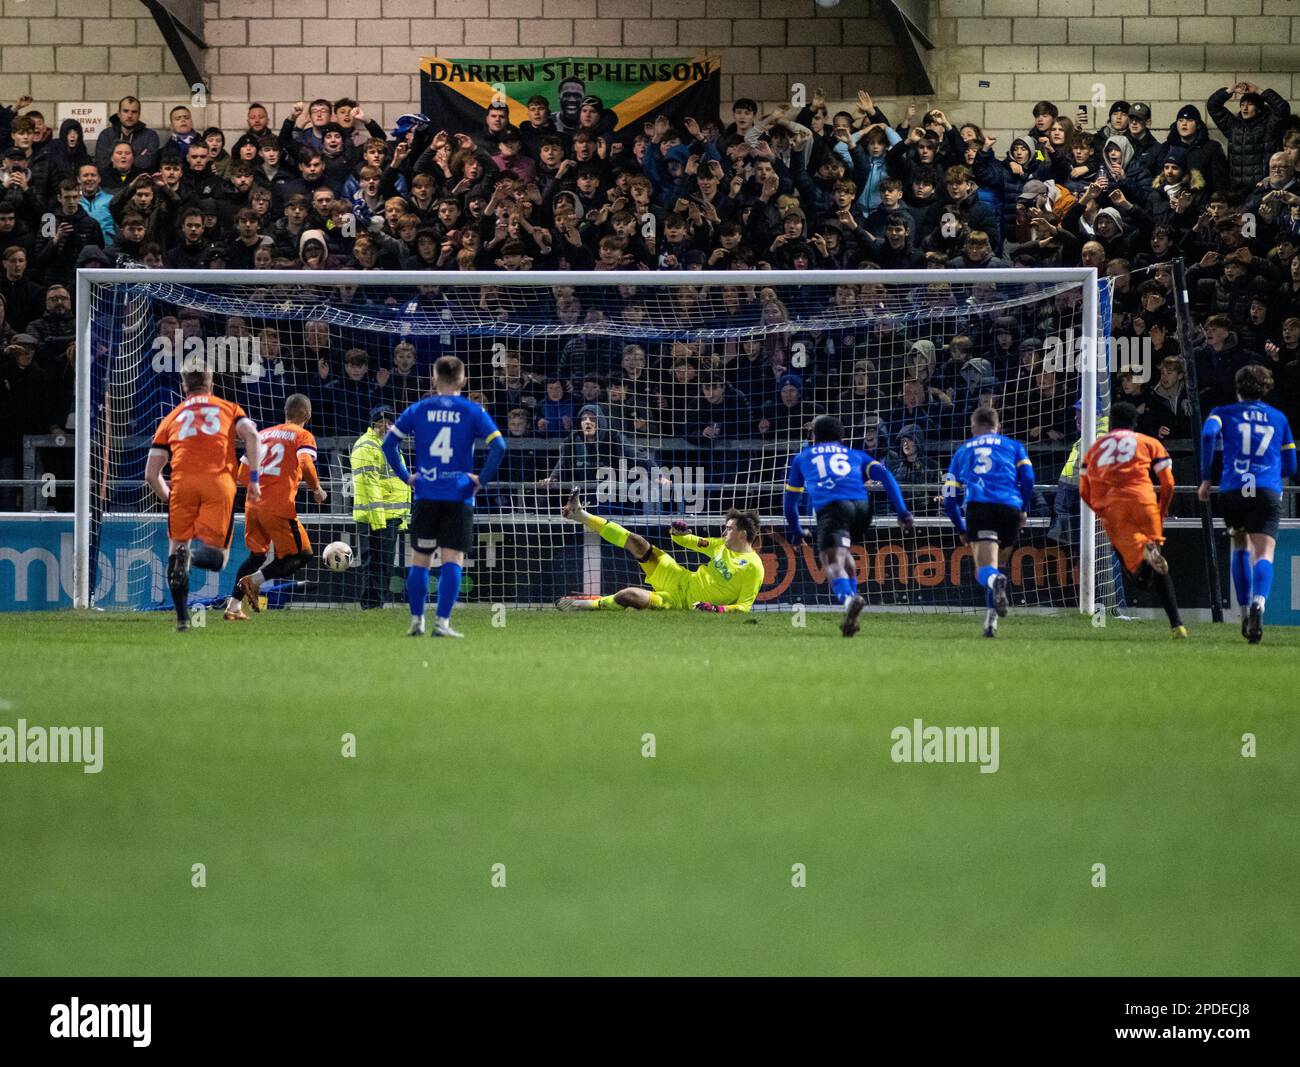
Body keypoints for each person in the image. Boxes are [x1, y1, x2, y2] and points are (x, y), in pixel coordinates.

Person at [381, 356, 506, 638]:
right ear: (463, 380)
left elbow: (389, 444)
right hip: (459, 495)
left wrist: (406, 476)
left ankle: (416, 621)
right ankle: (442, 623)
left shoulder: (418, 409)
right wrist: (480, 480)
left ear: (434, 379)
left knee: (420, 561)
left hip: (426, 494)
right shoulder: (472, 411)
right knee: (452, 560)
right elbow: (499, 445)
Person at [144, 369, 262, 632]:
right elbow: (253, 436)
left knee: (176, 550)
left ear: (183, 384)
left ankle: (183, 619)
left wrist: (169, 498)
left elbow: (151, 474)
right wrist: (253, 479)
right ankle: (192, 557)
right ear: (211, 383)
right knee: (218, 558)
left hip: (182, 484)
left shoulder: (171, 417)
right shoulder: (228, 408)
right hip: (217, 484)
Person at [783, 414, 914, 637]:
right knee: (845, 559)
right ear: (842, 437)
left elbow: (789, 503)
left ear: (814, 437)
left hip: (833, 509)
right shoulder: (855, 454)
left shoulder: (803, 457)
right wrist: (901, 511)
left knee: (831, 561)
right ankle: (851, 620)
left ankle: (848, 600)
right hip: (863, 509)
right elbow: (885, 475)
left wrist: (796, 531)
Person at [1198, 364, 1297, 643]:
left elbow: (1207, 435)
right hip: (1265, 489)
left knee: (1240, 544)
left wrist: (1206, 478)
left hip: (1233, 488)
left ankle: (1243, 613)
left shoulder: (1222, 413)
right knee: (1264, 553)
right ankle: (1258, 603)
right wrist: (1270, 472)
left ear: (1237, 387)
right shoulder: (1279, 418)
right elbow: (1290, 464)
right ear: (1265, 389)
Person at [1079, 402, 1187, 638]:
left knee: (1137, 579)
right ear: (1134, 423)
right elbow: (1168, 482)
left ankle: (1145, 561)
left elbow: (1084, 488)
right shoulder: (1149, 442)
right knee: (1156, 566)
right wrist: (1162, 509)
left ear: (1111, 423)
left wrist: (1099, 510)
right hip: (1146, 503)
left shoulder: (1096, 447)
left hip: (1116, 508)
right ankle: (1177, 624)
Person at [557, 498, 764, 614]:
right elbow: (686, 540)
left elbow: (744, 606)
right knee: (638, 543)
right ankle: (580, 515)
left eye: (728, 529)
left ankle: (586, 605)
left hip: (680, 602)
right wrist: (679, 533)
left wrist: (717, 609)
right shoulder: (721, 546)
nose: (723, 532)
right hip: (678, 577)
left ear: (742, 534)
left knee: (629, 595)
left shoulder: (754, 567)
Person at [224, 393, 327, 621]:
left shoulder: (261, 435)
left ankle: (233, 607)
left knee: (257, 556)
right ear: (307, 415)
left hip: (253, 506)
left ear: (286, 412)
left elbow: (241, 475)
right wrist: (317, 489)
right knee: (302, 555)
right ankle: (254, 581)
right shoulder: (303, 435)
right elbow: (305, 462)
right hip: (278, 506)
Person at [941, 406, 1035, 638]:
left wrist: (961, 528)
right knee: (997, 564)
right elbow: (1029, 478)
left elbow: (949, 499)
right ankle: (990, 624)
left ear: (973, 428)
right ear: (998, 426)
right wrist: (1023, 509)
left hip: (980, 509)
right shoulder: (1013, 446)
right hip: (1010, 509)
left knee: (986, 571)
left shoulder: (963, 451)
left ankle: (994, 591)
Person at [351, 404, 411, 612]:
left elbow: (398, 483)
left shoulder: (390, 446)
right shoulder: (366, 446)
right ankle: (370, 605)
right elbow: (368, 484)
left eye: (389, 422)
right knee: (374, 564)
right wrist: (378, 520)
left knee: (383, 565)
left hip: (390, 515)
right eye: (381, 422)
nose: (386, 426)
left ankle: (376, 606)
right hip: (375, 517)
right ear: (373, 424)